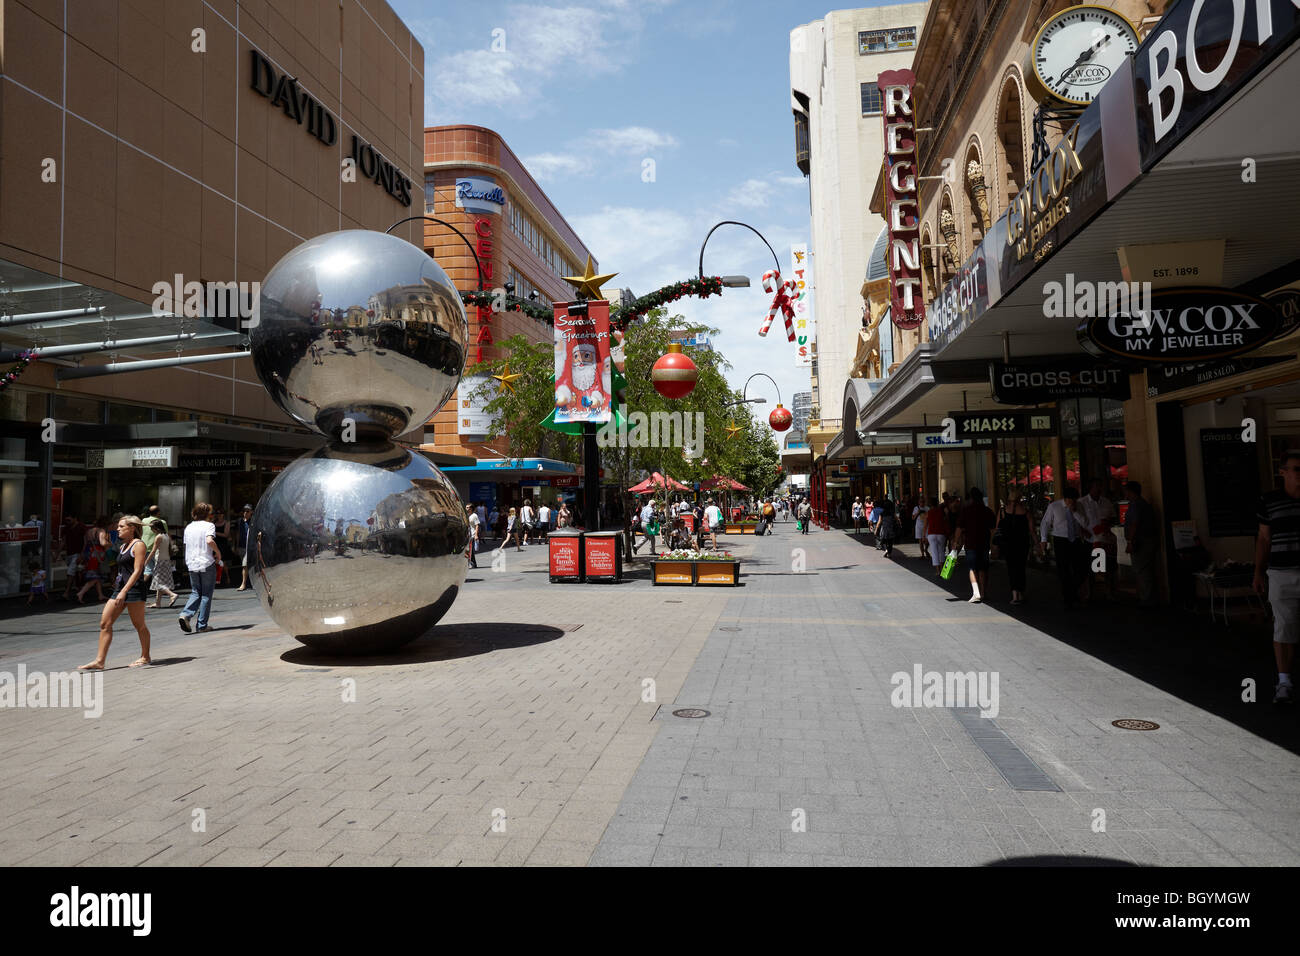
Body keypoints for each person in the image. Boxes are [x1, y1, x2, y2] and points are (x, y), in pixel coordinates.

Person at [1253, 452, 1300, 704]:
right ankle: (1284, 681)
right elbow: (1263, 538)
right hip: (1281, 573)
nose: (1299, 474)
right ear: (1283, 472)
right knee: (1284, 626)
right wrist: (1258, 571)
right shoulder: (1269, 500)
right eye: (1296, 469)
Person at [79, 515, 152, 670]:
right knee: (105, 623)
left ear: (132, 528)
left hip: (134, 590)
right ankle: (100, 661)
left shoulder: (138, 545)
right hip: (120, 589)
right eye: (118, 526)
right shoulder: (123, 546)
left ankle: (145, 656)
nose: (117, 529)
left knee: (139, 624)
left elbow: (138, 570)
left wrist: (124, 591)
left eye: (121, 526)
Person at [179, 502, 222, 634]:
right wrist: (218, 552)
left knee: (195, 591)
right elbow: (209, 540)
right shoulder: (209, 526)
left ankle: (185, 614)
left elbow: (187, 545)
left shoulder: (189, 527)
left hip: (192, 563)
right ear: (208, 514)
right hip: (206, 562)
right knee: (206, 594)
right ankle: (202, 625)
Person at [1039, 487, 1085, 608]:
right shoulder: (1054, 506)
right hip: (1060, 540)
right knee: (1064, 570)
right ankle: (1068, 598)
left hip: (1076, 540)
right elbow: (1045, 523)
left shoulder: (1079, 506)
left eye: (1075, 500)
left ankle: (1073, 591)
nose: (1073, 502)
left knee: (1080, 569)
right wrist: (1043, 539)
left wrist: (1074, 511)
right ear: (1065, 499)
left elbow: (1085, 522)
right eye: (1071, 500)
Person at [953, 488, 996, 603]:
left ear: (971, 498)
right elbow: (993, 529)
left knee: (972, 569)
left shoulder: (966, 511)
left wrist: (955, 542)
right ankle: (983, 592)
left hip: (971, 544)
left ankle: (976, 592)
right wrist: (993, 544)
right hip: (984, 543)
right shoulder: (987, 511)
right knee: (983, 569)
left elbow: (959, 528)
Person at [1078, 478, 1117, 601]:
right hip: (1090, 541)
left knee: (1108, 568)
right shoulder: (1082, 502)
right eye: (1097, 487)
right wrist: (1084, 533)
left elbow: (1113, 517)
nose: (1099, 489)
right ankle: (1090, 593)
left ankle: (1109, 593)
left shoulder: (1106, 502)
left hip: (1105, 540)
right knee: (1091, 568)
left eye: (1100, 486)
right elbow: (1077, 521)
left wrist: (1106, 524)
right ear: (1091, 488)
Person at [1123, 481, 1158, 607]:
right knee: (1144, 569)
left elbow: (1135, 524)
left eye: (1126, 491)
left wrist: (1130, 541)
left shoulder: (1137, 505)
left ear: (1131, 492)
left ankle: (1146, 598)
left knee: (1142, 570)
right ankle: (1146, 596)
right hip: (1145, 541)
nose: (1125, 494)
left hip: (1141, 542)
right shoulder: (1140, 504)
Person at [998, 487, 1033, 605]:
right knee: (1021, 568)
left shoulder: (1003, 510)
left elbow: (997, 526)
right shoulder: (1026, 511)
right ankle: (1021, 593)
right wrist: (1038, 544)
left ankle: (1015, 595)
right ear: (1019, 498)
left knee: (1011, 568)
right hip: (1022, 544)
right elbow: (1032, 530)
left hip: (1008, 544)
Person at [144, 518, 179, 608]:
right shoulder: (166, 535)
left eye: (152, 528)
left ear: (156, 528)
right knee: (160, 581)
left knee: (158, 582)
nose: (151, 530)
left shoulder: (158, 537)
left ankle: (172, 594)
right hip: (166, 560)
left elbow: (153, 551)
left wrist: (146, 561)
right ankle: (158, 603)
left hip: (160, 561)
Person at [924, 497, 948, 576]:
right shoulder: (941, 511)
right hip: (941, 533)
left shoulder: (929, 512)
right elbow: (945, 522)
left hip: (931, 534)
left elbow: (926, 525)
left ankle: (938, 571)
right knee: (941, 551)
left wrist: (924, 535)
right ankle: (942, 570)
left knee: (934, 553)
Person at [235, 505, 254, 591]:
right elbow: (238, 533)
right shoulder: (240, 521)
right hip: (241, 546)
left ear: (251, 512)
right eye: (244, 511)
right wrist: (236, 545)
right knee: (245, 565)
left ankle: (244, 584)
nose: (245, 513)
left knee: (244, 565)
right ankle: (249, 582)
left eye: (247, 511)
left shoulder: (253, 521)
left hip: (249, 546)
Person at [465, 504, 480, 569]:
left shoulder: (474, 516)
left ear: (471, 509)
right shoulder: (467, 516)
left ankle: (473, 563)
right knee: (468, 550)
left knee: (471, 550)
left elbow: (477, 525)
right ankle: (471, 563)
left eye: (468, 507)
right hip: (468, 535)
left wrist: (476, 535)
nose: (466, 508)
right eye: (466, 507)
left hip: (473, 535)